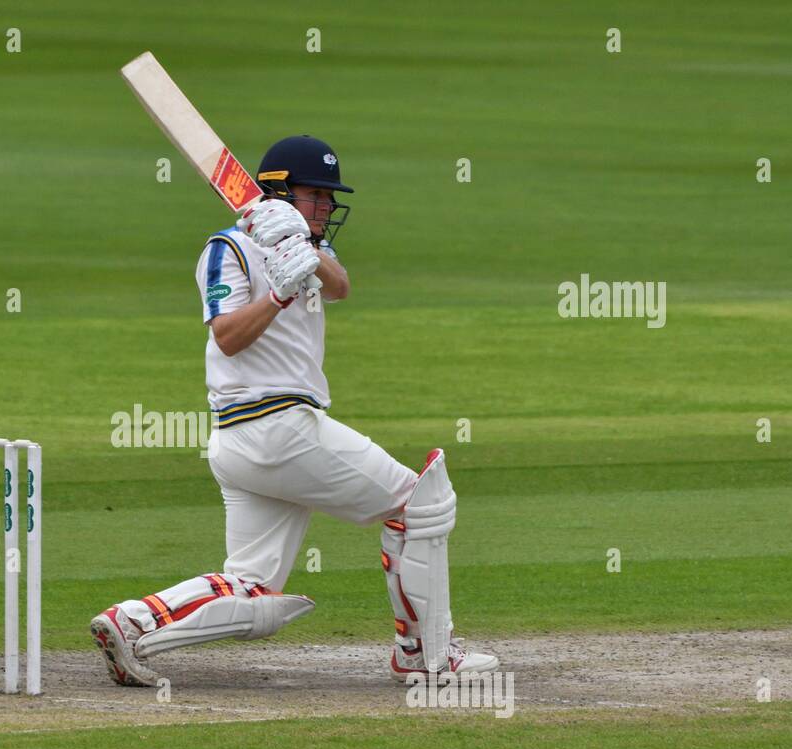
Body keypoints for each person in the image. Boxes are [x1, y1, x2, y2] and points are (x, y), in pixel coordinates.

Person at [90, 135, 498, 685]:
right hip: (275, 427)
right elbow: (229, 337)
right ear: (280, 193)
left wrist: (302, 251)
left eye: (331, 197)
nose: (327, 207)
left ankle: (132, 622)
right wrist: (278, 293)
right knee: (419, 505)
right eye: (317, 195)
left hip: (252, 441)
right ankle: (426, 657)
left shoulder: (304, 244)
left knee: (252, 589)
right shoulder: (227, 250)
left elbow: (342, 287)